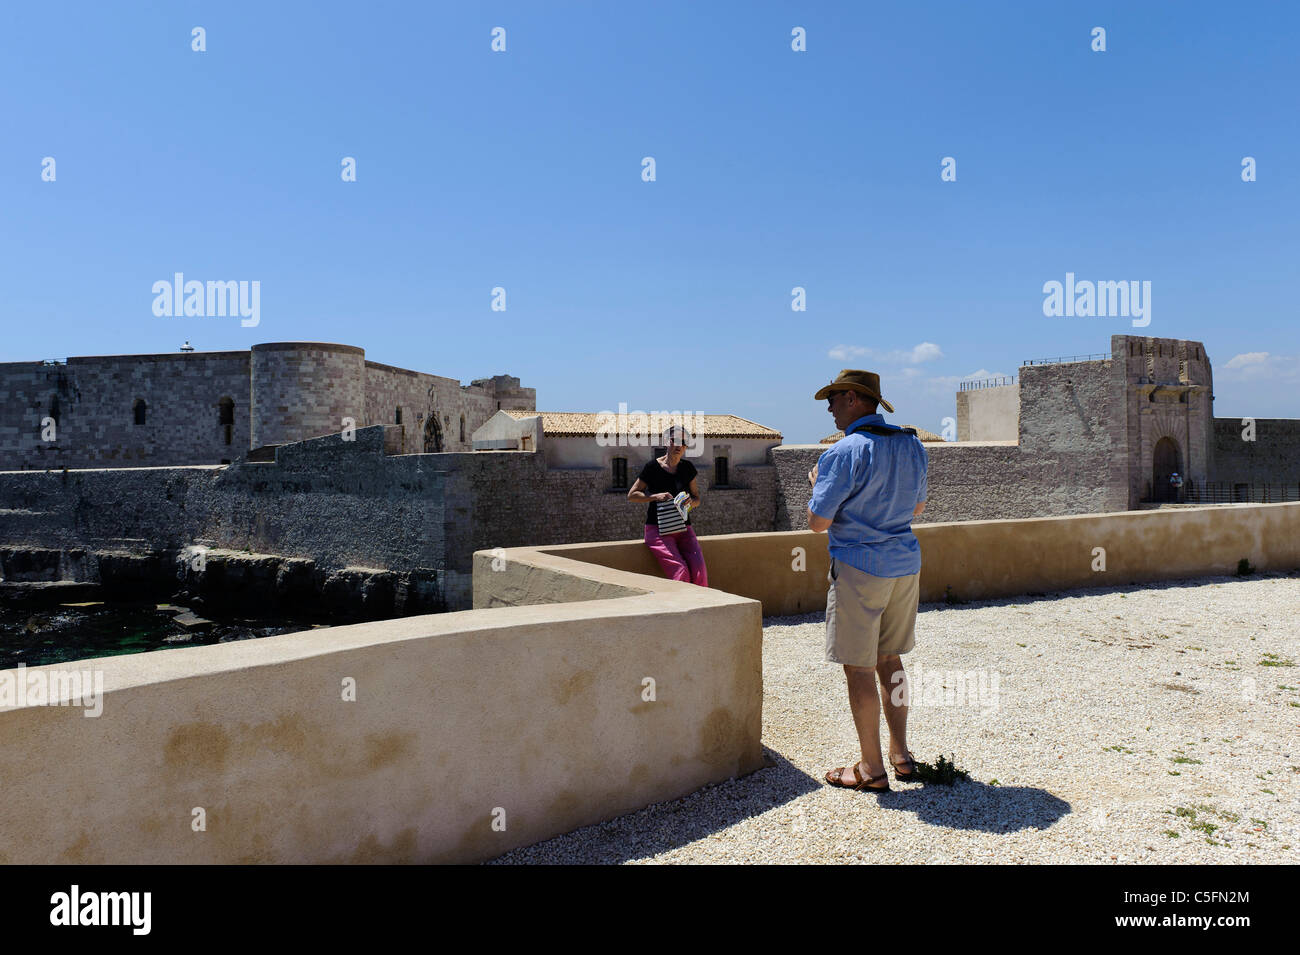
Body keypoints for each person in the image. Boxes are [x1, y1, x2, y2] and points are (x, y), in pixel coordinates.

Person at [806, 370, 928, 793]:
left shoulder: (842, 453)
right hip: (904, 564)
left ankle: (870, 769)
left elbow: (818, 524)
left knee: (858, 668)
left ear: (856, 400)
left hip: (860, 568)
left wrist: (818, 485)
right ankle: (901, 755)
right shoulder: (912, 444)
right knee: (890, 660)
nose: (829, 406)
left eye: (835, 398)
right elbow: (916, 509)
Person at [627, 425, 708, 586]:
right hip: (657, 530)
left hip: (684, 528)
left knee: (700, 570)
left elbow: (697, 498)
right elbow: (632, 495)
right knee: (681, 571)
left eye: (683, 442)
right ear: (666, 442)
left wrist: (691, 503)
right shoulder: (652, 468)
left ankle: (699, 608)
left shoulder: (688, 468)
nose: (679, 445)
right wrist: (655, 496)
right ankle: (682, 609)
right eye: (675, 440)